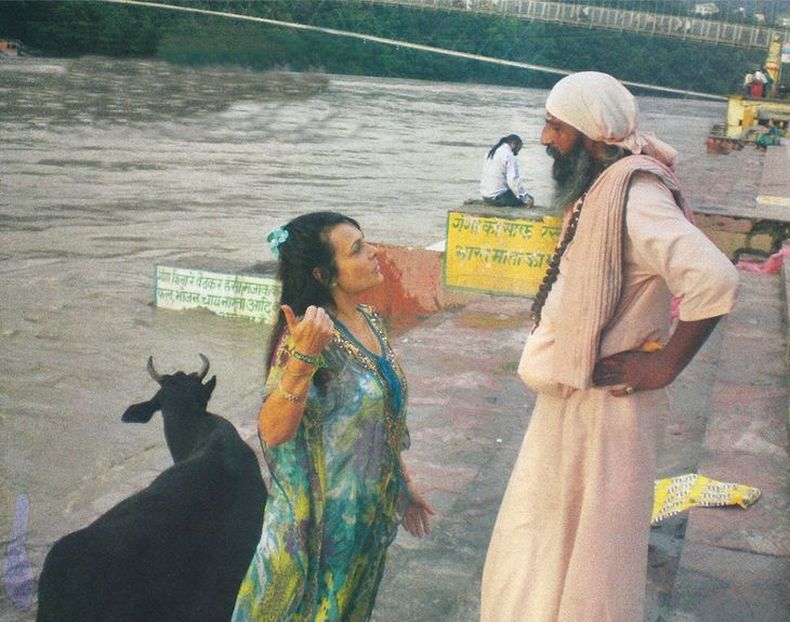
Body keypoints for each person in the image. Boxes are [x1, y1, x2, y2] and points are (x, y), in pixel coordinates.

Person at [480, 72, 739, 621]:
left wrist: (664, 365)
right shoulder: (606, 186)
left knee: (592, 546)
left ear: (594, 136)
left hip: (608, 403)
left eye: (556, 126)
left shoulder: (635, 196)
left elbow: (715, 278)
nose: (546, 138)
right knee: (546, 533)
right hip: (577, 397)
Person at [232, 212, 434, 621]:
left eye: (366, 242)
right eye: (357, 249)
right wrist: (303, 358)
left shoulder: (370, 322)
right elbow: (272, 431)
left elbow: (378, 421)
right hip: (317, 534)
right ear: (324, 275)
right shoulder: (307, 336)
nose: (373, 251)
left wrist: (402, 480)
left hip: (361, 523)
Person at [480, 134, 535, 207]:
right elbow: (513, 181)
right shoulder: (509, 155)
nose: (517, 153)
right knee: (529, 198)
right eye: (518, 149)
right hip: (498, 198)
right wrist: (526, 199)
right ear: (513, 144)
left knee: (516, 193)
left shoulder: (490, 152)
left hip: (485, 196)